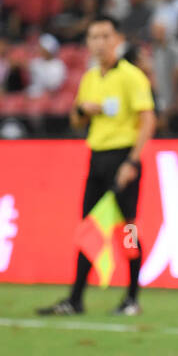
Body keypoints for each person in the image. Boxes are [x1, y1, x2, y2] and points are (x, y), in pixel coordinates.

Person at [38, 16, 155, 316]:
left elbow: (148, 120)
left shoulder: (131, 76)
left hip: (122, 157)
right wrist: (81, 109)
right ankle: (75, 299)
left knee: (126, 228)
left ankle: (132, 298)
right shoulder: (90, 78)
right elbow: (76, 120)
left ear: (116, 40)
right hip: (97, 158)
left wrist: (132, 161)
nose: (99, 42)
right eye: (93, 37)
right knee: (88, 228)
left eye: (105, 36)